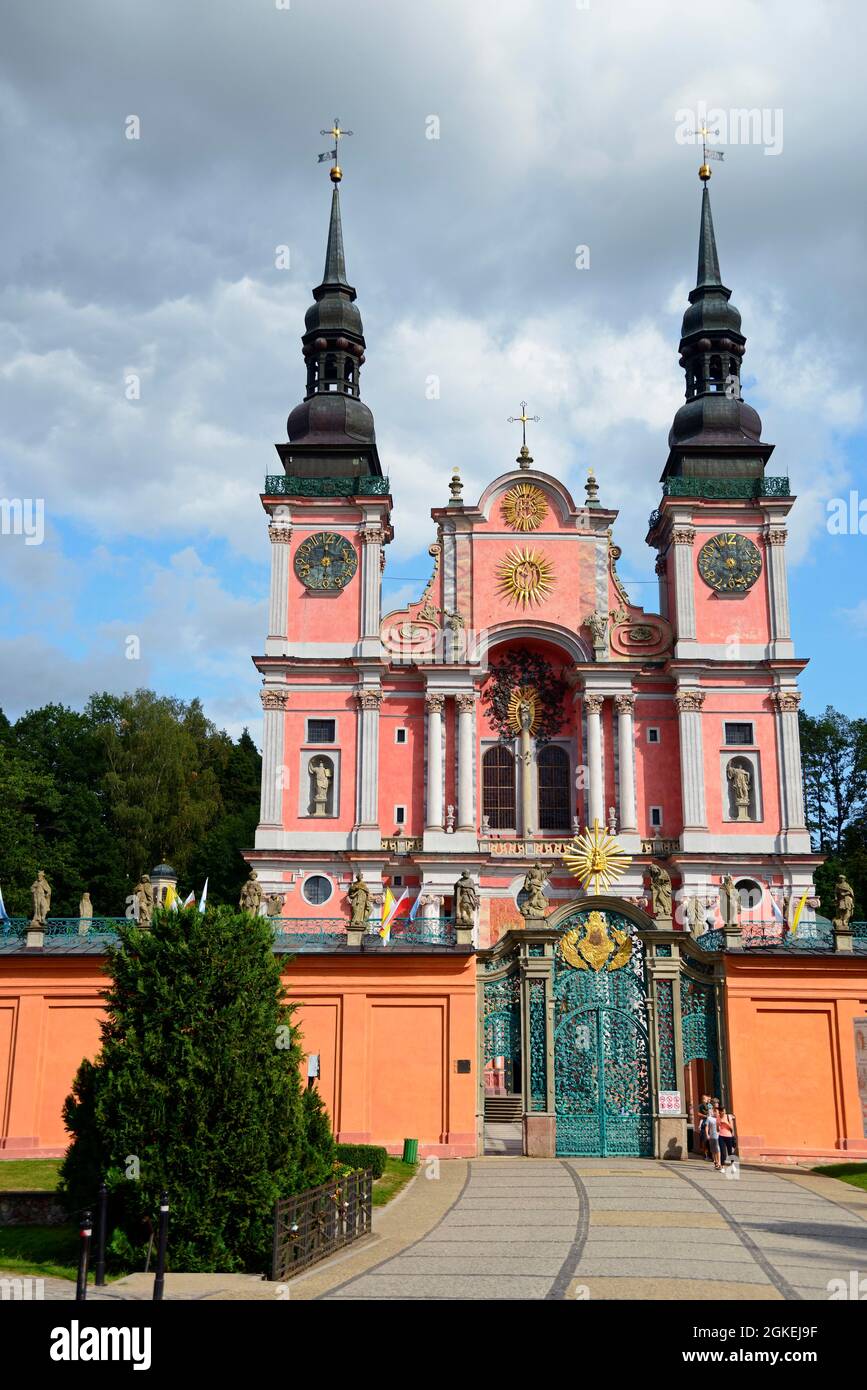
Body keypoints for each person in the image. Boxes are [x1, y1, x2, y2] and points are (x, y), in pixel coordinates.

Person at [704, 1102, 722, 1171]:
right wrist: (707, 1134)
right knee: (713, 1150)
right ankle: (715, 1161)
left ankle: (719, 1162)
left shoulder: (720, 1118)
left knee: (718, 1149)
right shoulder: (709, 1118)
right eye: (715, 1112)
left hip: (719, 1136)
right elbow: (707, 1127)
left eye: (717, 1112)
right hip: (712, 1136)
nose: (716, 1113)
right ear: (713, 1112)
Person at [696, 1093, 711, 1158]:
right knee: (705, 1139)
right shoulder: (701, 1106)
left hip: (710, 1124)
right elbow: (698, 1113)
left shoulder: (710, 1105)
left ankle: (710, 1154)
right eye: (704, 1099)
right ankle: (705, 1154)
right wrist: (705, 1116)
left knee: (710, 1140)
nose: (705, 1100)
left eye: (706, 1098)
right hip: (704, 1124)